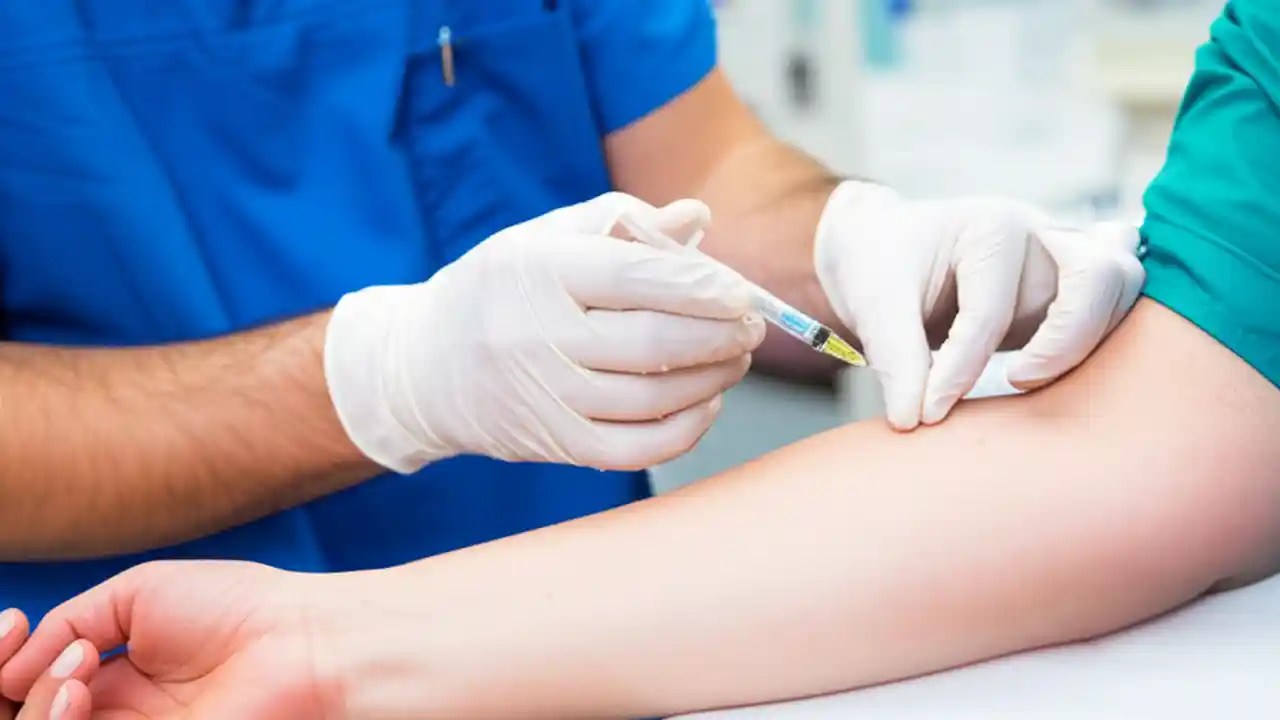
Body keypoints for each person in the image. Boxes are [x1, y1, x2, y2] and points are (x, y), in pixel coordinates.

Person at [2, 1, 1277, 718]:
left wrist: (855, 239)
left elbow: (703, 169)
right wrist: (384, 373)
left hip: (583, 661)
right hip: (132, 668)